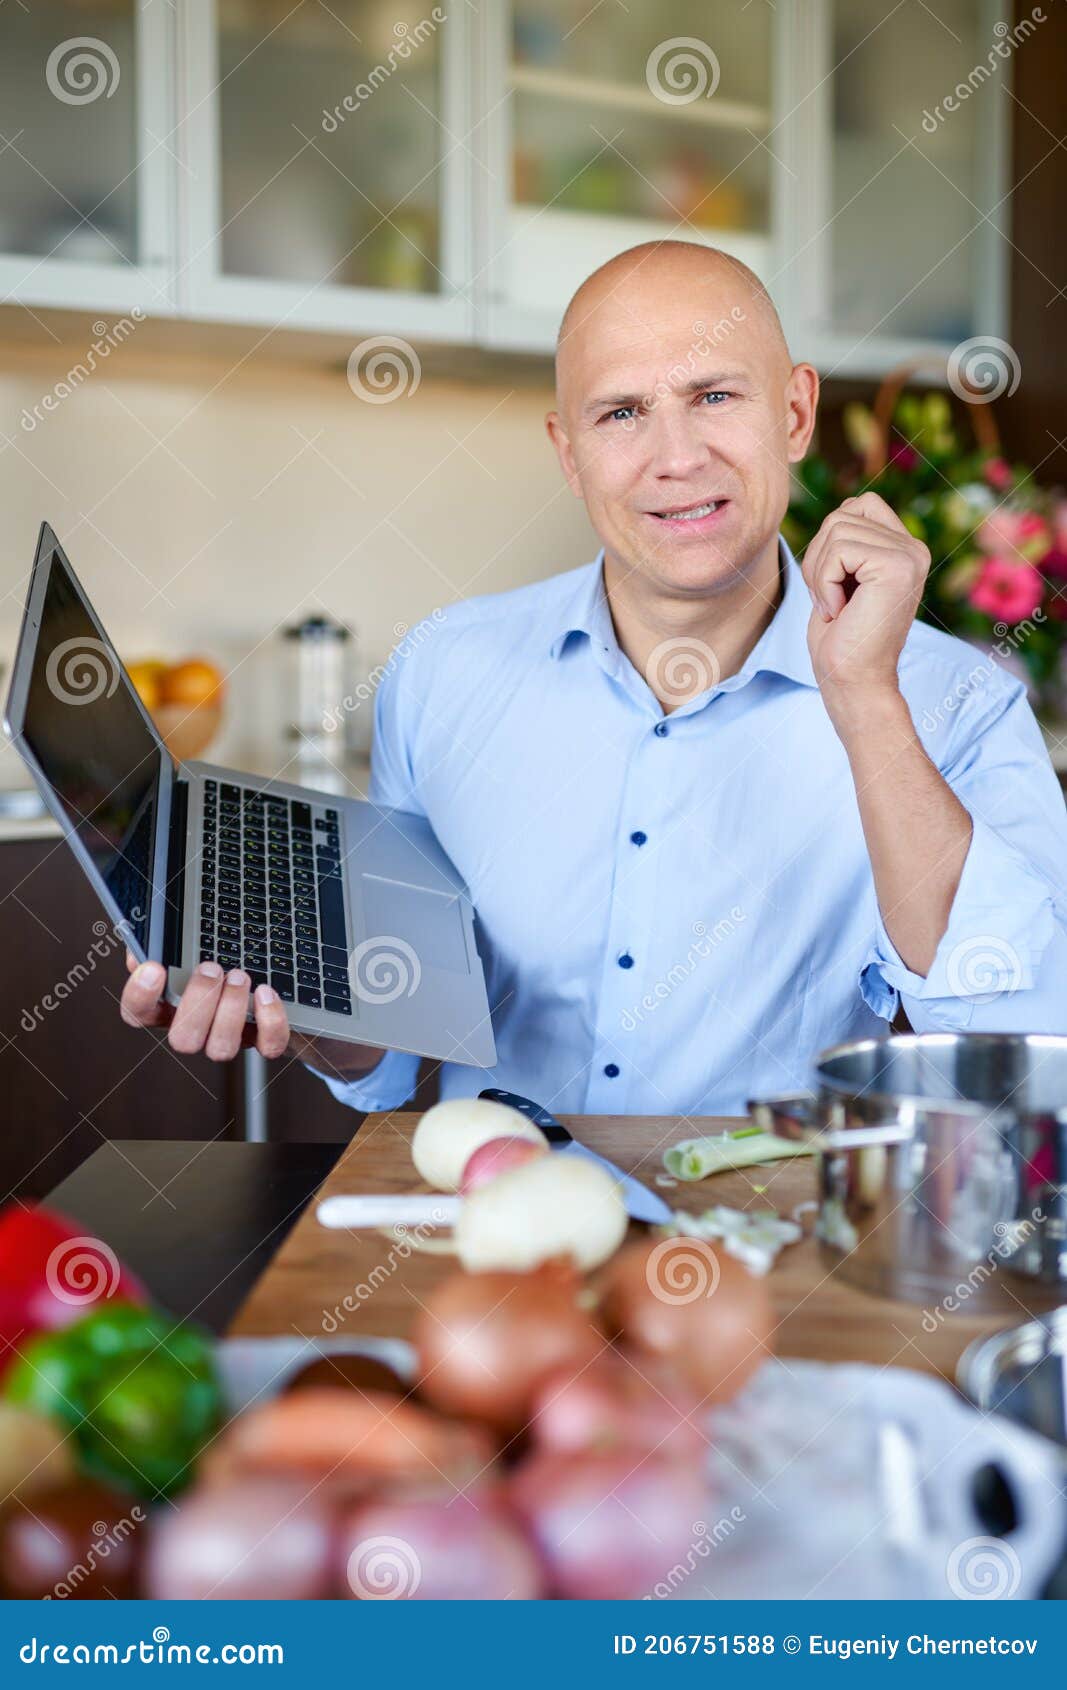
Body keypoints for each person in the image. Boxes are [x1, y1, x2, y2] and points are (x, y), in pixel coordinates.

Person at [120, 241, 1067, 1115]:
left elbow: (1018, 1040)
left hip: (774, 1256)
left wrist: (864, 698)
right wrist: (314, 1020)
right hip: (502, 1241)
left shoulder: (956, 705)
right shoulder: (442, 671)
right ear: (569, 454)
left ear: (794, 413)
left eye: (714, 397)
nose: (676, 458)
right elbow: (392, 1061)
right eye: (621, 413)